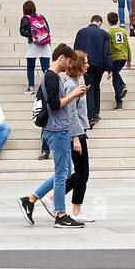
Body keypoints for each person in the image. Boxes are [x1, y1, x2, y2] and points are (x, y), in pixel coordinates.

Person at [18, 44, 86, 229]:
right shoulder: (51, 77)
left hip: (57, 129)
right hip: (57, 130)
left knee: (62, 172)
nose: (69, 65)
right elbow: (55, 105)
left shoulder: (52, 77)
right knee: (62, 173)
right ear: (62, 58)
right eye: (69, 61)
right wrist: (74, 94)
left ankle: (30, 199)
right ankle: (61, 214)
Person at [40, 50, 94, 222]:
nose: (87, 64)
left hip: (77, 131)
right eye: (85, 62)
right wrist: (76, 136)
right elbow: (70, 113)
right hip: (74, 133)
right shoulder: (71, 84)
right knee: (80, 172)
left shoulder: (75, 82)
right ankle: (69, 208)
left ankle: (56, 199)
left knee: (79, 172)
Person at [72, 14, 110, 125]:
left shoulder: (81, 32)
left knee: (90, 87)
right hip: (100, 65)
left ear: (91, 21)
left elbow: (76, 50)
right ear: (100, 23)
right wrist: (109, 68)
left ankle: (91, 115)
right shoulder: (104, 34)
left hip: (86, 64)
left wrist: (77, 65)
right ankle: (96, 113)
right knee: (97, 87)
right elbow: (107, 52)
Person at [20, 0, 53, 103]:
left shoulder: (25, 18)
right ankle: (48, 86)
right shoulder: (41, 16)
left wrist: (32, 36)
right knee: (46, 68)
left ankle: (31, 87)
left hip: (33, 45)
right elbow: (48, 29)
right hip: (45, 44)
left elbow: (22, 31)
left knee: (31, 67)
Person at [105, 11, 131, 111]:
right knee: (116, 73)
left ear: (108, 21)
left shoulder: (109, 32)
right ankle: (122, 85)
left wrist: (107, 61)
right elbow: (127, 45)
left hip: (115, 56)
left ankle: (119, 101)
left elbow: (108, 47)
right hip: (123, 56)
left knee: (115, 79)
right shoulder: (123, 31)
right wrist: (129, 59)